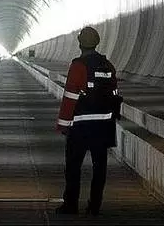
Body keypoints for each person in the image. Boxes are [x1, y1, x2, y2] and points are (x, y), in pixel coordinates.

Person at [54, 26, 122, 216]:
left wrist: (63, 125)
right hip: (104, 126)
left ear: (79, 43)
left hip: (81, 127)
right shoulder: (108, 65)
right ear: (97, 43)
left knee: (73, 167)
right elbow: (115, 94)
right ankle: (94, 206)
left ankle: (71, 205)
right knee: (99, 167)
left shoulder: (78, 66)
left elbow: (70, 97)